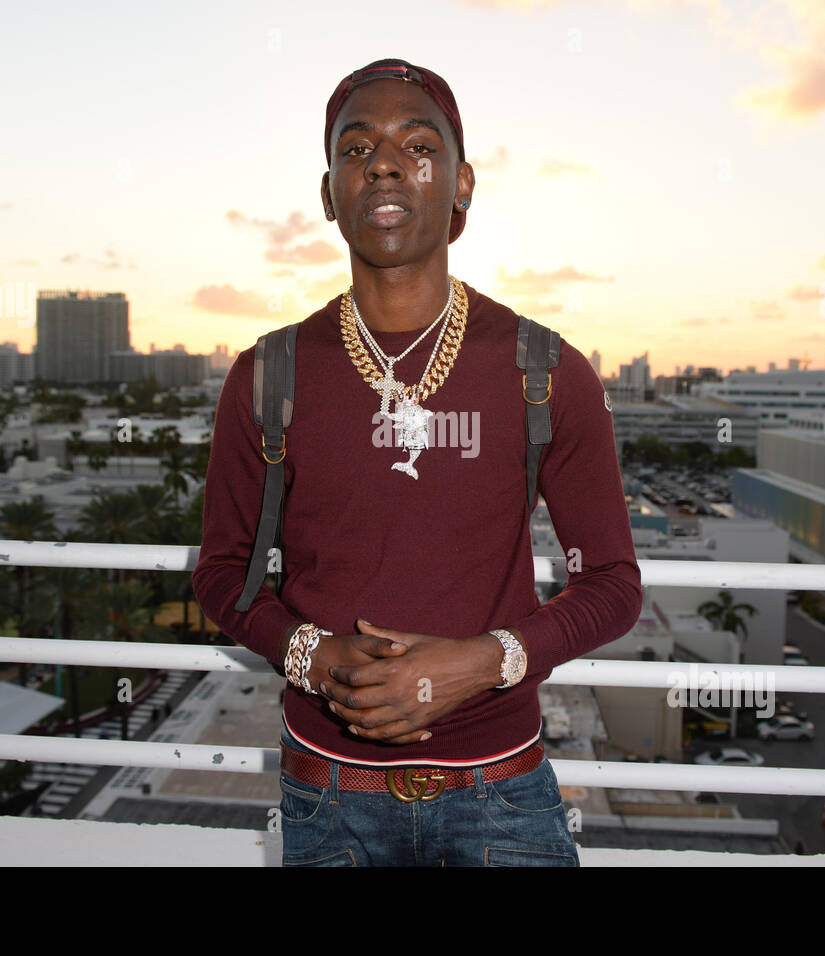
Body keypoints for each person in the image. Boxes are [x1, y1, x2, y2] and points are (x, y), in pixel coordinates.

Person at [192, 57, 642, 866]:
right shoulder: (269, 374)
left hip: (503, 793)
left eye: (417, 146)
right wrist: (314, 657)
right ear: (329, 193)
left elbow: (613, 585)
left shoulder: (544, 370)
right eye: (356, 149)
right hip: (327, 796)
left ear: (462, 183)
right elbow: (224, 574)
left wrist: (487, 660)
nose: (386, 164)